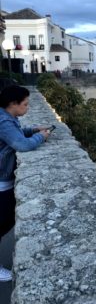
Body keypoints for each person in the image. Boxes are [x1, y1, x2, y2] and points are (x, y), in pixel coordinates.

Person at [0, 85, 50, 282]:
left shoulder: (7, 117)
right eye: (25, 104)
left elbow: (15, 134)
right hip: (1, 180)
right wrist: (41, 136)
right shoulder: (3, 121)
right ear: (13, 104)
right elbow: (21, 144)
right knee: (2, 222)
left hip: (4, 178)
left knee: (6, 220)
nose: (28, 108)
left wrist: (33, 130)